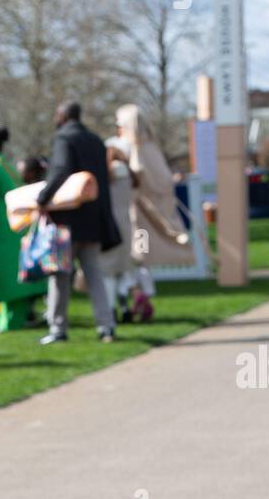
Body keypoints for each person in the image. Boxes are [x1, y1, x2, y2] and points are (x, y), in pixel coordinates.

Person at [37, 100, 122, 345]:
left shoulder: (64, 138)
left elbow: (61, 169)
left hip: (68, 221)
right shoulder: (96, 140)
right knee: (94, 273)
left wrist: (43, 198)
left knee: (60, 275)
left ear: (63, 116)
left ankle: (57, 328)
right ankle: (106, 326)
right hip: (93, 220)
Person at [115, 103, 195, 320]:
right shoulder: (151, 148)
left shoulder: (132, 148)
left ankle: (136, 294)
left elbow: (137, 178)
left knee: (132, 259)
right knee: (141, 259)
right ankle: (142, 297)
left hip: (135, 218)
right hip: (144, 218)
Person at [0, 127, 47, 332]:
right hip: (13, 229)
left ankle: (7, 322)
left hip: (0, 233)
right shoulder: (5, 164)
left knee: (4, 277)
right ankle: (13, 319)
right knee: (14, 276)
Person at [99, 136, 136, 324]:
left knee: (108, 272)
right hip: (126, 224)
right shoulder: (128, 175)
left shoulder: (107, 175)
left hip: (110, 225)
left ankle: (111, 308)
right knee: (123, 269)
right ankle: (125, 306)